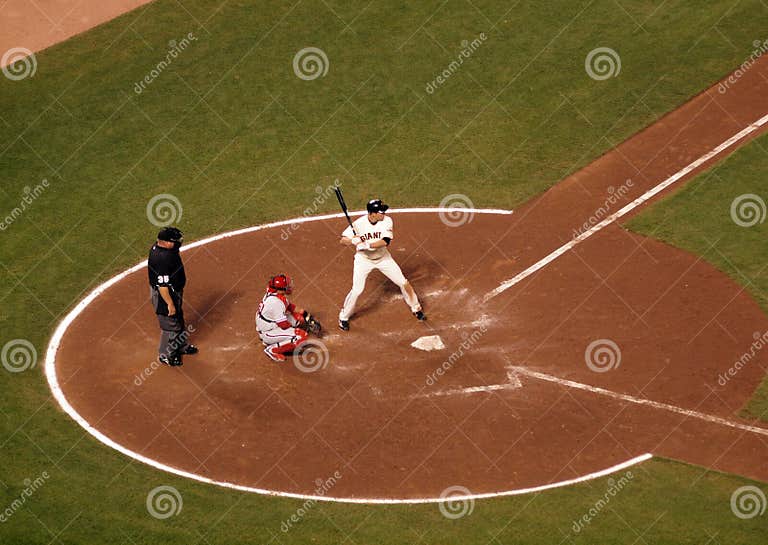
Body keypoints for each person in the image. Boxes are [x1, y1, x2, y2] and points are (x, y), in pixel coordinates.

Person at [338, 198, 426, 331]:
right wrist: (352, 241)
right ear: (372, 214)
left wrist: (367, 244)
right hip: (363, 260)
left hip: (383, 258)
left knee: (403, 282)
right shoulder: (358, 224)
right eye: (381, 212)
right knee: (357, 290)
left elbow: (385, 241)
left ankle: (416, 308)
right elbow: (342, 240)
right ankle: (343, 317)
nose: (383, 213)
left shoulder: (387, 221)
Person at [147, 226, 198, 366]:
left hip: (172, 291)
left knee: (178, 319)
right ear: (166, 242)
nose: (178, 243)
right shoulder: (162, 259)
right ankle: (166, 355)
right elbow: (162, 286)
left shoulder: (166, 249)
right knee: (170, 326)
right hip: (164, 295)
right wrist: (169, 303)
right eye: (175, 241)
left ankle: (180, 346)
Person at [256, 274, 310, 362]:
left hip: (268, 324)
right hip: (268, 332)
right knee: (301, 337)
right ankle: (272, 350)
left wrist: (306, 315)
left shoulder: (274, 294)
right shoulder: (276, 302)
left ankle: (275, 341)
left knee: (297, 318)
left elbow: (290, 307)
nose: (289, 287)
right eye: (286, 286)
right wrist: (295, 330)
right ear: (280, 289)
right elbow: (283, 325)